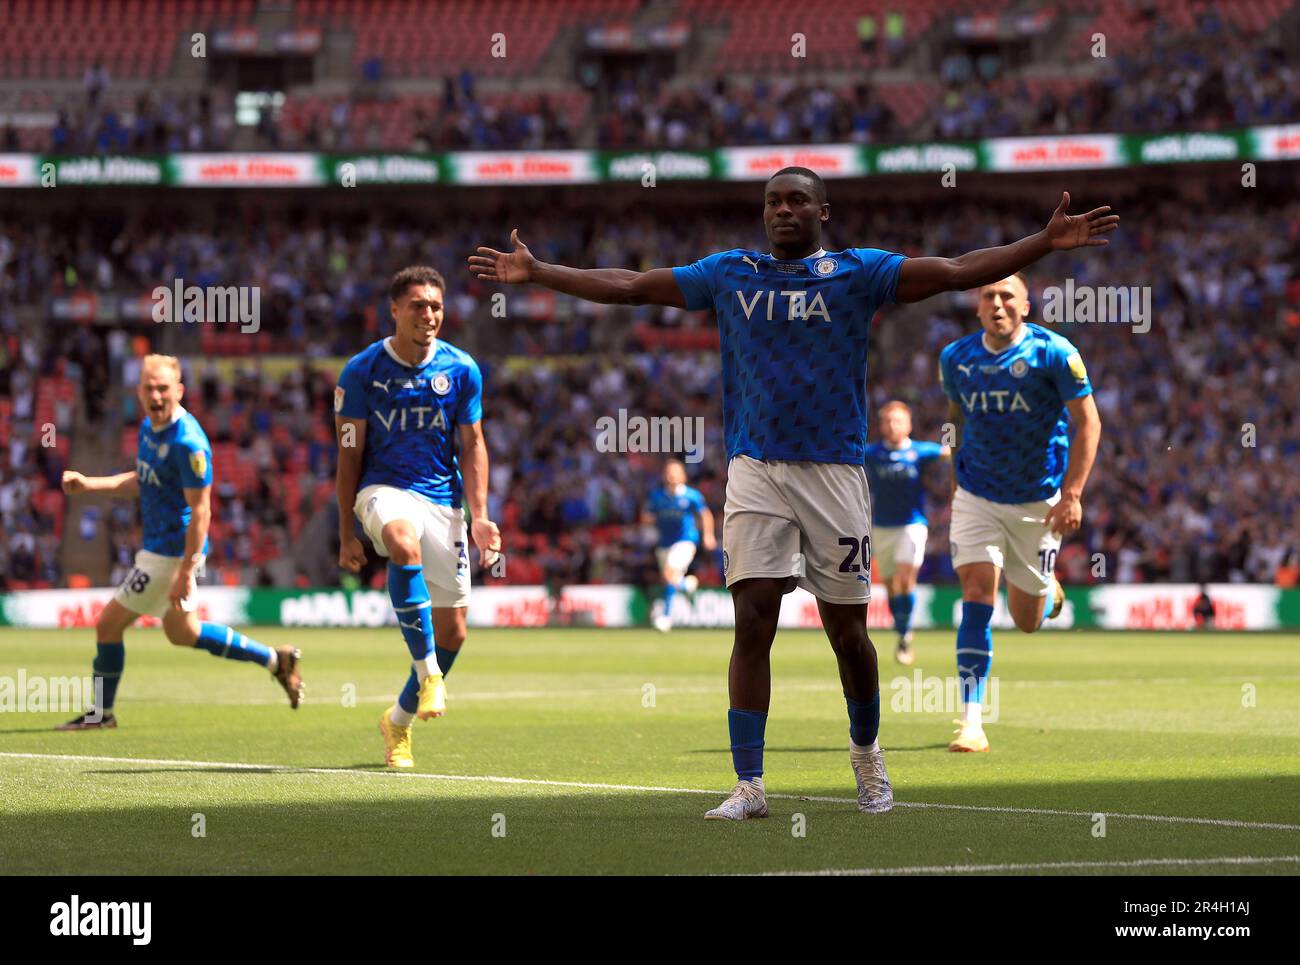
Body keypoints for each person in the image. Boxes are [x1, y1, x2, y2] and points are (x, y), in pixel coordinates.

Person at [469, 167, 1117, 818]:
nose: (783, 209)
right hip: (755, 469)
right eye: (773, 200)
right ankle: (750, 783)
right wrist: (543, 272)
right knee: (752, 619)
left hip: (834, 472)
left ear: (822, 210)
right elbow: (636, 286)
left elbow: (953, 270)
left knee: (848, 634)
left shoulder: (858, 272)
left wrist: (1040, 241)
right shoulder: (730, 271)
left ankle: (866, 752)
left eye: (797, 200)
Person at [57, 354, 302, 730]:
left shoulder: (188, 443)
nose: (155, 395)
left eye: (163, 388)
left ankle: (100, 714)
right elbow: (144, 480)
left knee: (107, 625)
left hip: (171, 553)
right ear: (138, 391)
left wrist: (187, 571)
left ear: (179, 390)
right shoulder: (147, 429)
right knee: (182, 633)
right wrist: (91, 485)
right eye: (148, 388)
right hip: (161, 549)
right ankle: (275, 660)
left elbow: (201, 511)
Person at [335, 266, 502, 768]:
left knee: (455, 631)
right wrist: (346, 531)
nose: (428, 315)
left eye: (435, 306)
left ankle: (398, 722)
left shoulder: (463, 370)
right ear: (394, 310)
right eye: (417, 305)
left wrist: (481, 515)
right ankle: (430, 675)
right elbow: (348, 454)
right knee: (401, 544)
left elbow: (473, 444)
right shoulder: (361, 373)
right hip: (383, 489)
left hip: (443, 500)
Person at [940, 273, 1102, 753]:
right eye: (988, 295)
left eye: (1007, 296)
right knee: (976, 594)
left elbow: (1088, 421)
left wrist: (1073, 494)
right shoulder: (956, 358)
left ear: (1026, 306)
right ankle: (971, 721)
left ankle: (1046, 590)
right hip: (976, 496)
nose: (997, 303)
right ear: (977, 306)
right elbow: (955, 420)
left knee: (1027, 619)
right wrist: (955, 480)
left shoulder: (1056, 353)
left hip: (1038, 501)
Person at [862, 401, 949, 665]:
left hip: (912, 525)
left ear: (909, 424)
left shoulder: (919, 452)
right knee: (891, 585)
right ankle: (902, 632)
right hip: (881, 527)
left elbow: (949, 451)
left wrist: (953, 427)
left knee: (904, 578)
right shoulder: (873, 453)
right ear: (881, 425)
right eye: (888, 421)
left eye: (898, 420)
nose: (893, 425)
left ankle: (905, 633)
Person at [642, 459, 716, 633]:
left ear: (683, 476)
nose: (671, 476)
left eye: (674, 472)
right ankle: (685, 586)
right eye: (668, 472)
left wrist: (708, 535)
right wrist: (651, 519)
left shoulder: (691, 496)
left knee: (669, 573)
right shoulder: (657, 497)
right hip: (664, 543)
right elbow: (646, 516)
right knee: (669, 579)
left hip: (686, 541)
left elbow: (705, 515)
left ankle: (665, 618)